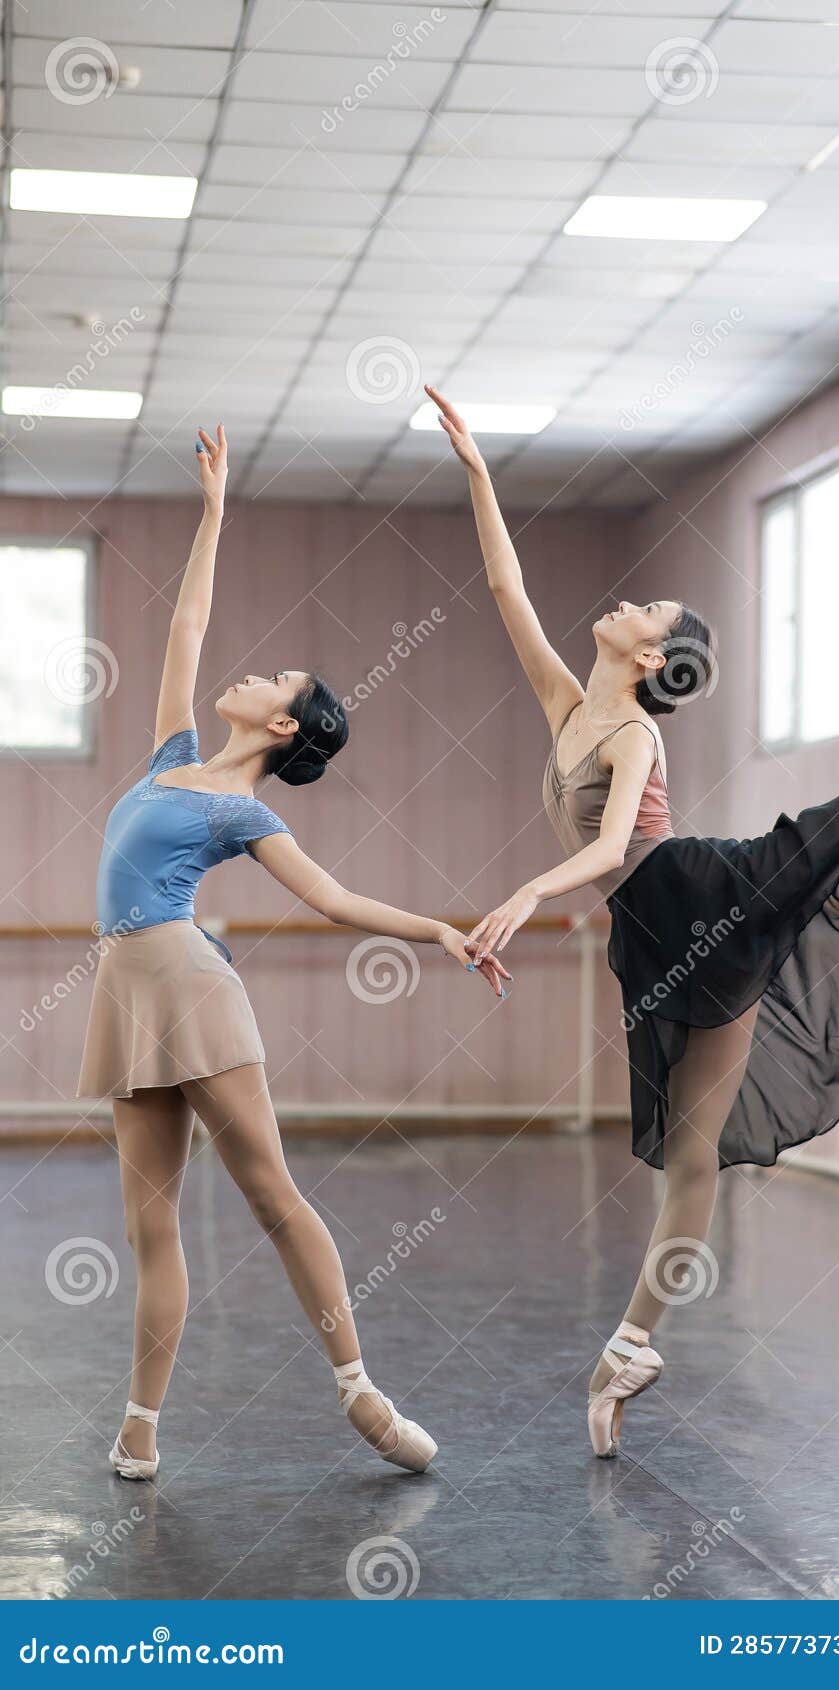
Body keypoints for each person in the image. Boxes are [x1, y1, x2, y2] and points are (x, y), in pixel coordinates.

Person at [426, 383, 839, 1460]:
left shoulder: (634, 740)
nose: (630, 604)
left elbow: (613, 851)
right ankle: (628, 1354)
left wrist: (524, 891)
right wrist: (476, 467)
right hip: (655, 933)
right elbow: (505, 586)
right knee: (690, 1166)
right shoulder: (571, 703)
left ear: (654, 661)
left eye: (648, 610)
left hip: (711, 895)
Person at [79, 425, 509, 1482]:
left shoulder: (242, 813)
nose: (255, 669)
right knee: (152, 1227)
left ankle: (361, 1389)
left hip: (191, 986)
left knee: (272, 1194)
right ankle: (140, 1424)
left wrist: (440, 929)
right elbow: (186, 623)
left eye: (279, 677)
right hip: (126, 992)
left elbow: (333, 898)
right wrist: (216, 506)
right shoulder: (176, 755)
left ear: (281, 726)